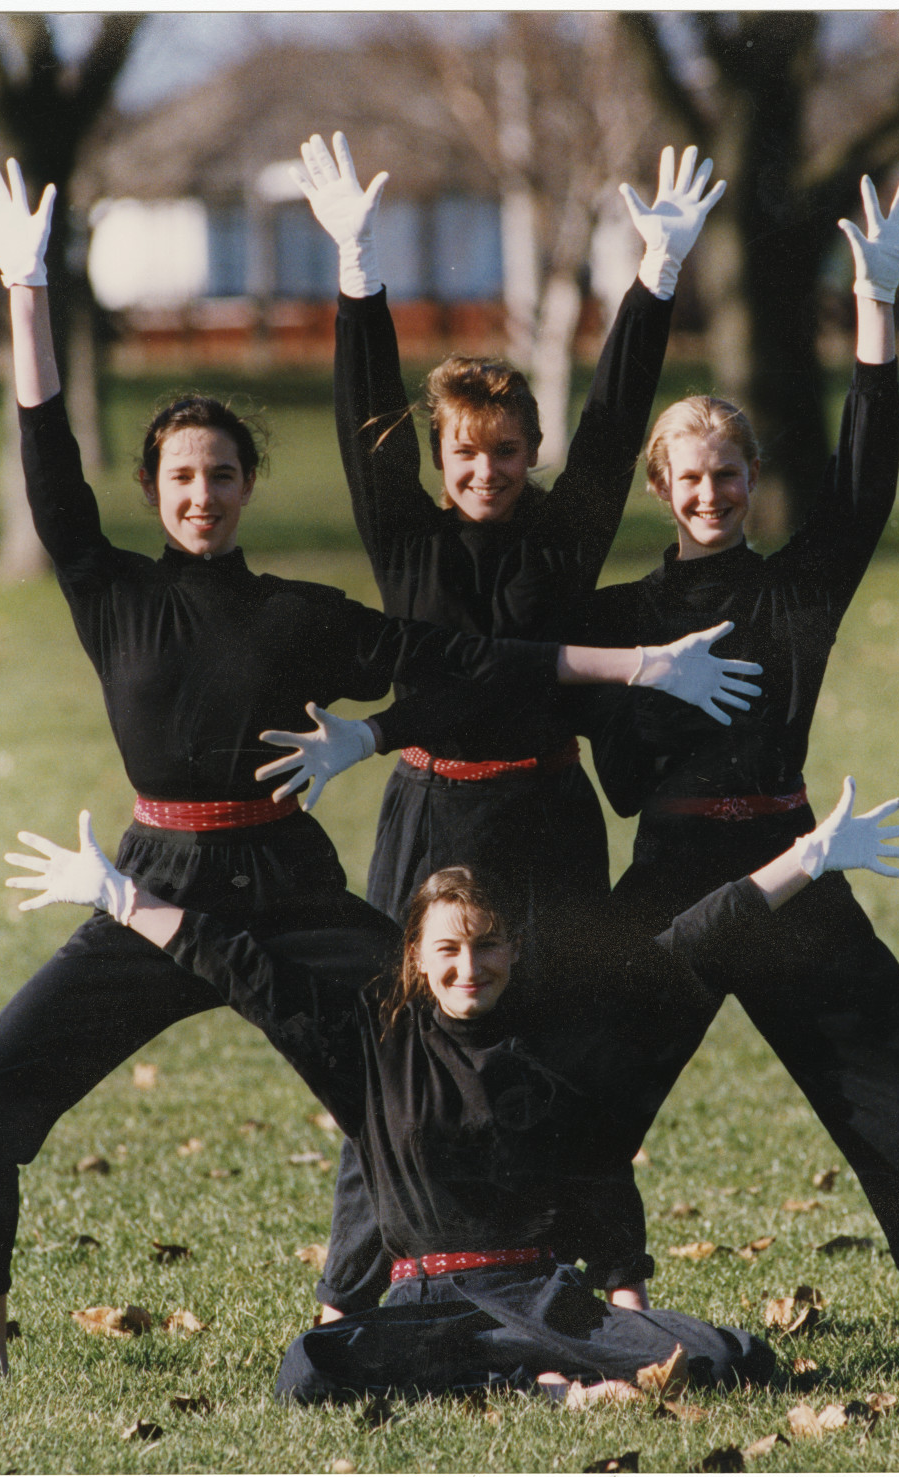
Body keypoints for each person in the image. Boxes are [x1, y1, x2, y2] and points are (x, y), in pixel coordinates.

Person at [0, 158, 760, 1383]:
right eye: (181, 477)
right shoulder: (118, 593)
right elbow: (50, 455)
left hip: (306, 870)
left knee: (445, 1051)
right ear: (155, 491)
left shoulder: (331, 601)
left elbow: (490, 624)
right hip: (168, 862)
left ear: (250, 487)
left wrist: (655, 278)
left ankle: (560, 1289)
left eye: (220, 474)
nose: (201, 493)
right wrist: (28, 286)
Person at [0, 774, 899, 1403]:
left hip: (543, 1295)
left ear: (510, 950)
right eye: (447, 948)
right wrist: (118, 894)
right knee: (310, 1372)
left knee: (734, 1355)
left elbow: (691, 943)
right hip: (425, 1304)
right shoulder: (369, 1047)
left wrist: (810, 856)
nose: (468, 966)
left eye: (485, 946)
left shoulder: (557, 1041)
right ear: (417, 959)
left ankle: (550, 1373)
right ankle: (551, 1383)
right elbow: (241, 969)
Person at [292, 129, 735, 1319]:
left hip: (544, 808)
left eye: (504, 450)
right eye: (464, 453)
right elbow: (361, 420)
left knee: (564, 1033)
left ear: (529, 455)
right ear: (440, 461)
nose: (483, 468)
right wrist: (356, 269)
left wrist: (655, 274)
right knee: (396, 1042)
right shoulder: (411, 537)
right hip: (429, 804)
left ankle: (613, 1277)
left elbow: (614, 417)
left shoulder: (561, 532)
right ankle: (355, 1286)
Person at [570, 176, 899, 1345]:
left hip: (795, 859)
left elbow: (862, 487)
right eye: (689, 476)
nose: (711, 491)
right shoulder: (614, 616)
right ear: (663, 487)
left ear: (752, 483)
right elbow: (535, 695)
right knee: (595, 1091)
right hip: (675, 876)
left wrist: (876, 303)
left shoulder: (794, 592)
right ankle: (592, 1301)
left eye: (730, 473)